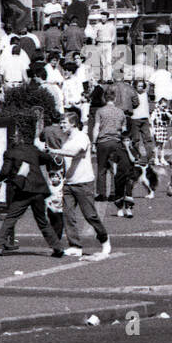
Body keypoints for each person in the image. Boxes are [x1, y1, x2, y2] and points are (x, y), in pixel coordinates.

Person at [0, 117, 67, 258]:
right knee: (42, 221)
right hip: (39, 189)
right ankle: (57, 247)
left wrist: (1, 179)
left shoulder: (10, 153)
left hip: (23, 190)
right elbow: (48, 159)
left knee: (11, 218)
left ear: (16, 139)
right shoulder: (33, 150)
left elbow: (4, 173)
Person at [57, 108, 112, 258]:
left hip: (83, 182)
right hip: (69, 182)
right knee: (68, 215)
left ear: (73, 124)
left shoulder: (82, 137)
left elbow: (75, 153)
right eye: (61, 123)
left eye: (64, 123)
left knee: (90, 215)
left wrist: (53, 151)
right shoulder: (66, 138)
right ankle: (75, 245)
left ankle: (105, 240)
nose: (61, 126)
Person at [128, 78, 153, 163]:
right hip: (135, 118)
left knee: (147, 138)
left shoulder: (145, 94)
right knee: (136, 139)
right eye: (139, 86)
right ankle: (137, 156)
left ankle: (149, 157)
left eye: (142, 86)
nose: (140, 88)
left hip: (145, 118)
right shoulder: (133, 94)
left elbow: (149, 85)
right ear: (135, 86)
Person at [151, 96, 172, 168]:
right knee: (157, 145)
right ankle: (156, 158)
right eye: (162, 106)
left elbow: (171, 117)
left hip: (163, 128)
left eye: (165, 106)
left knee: (163, 145)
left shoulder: (165, 112)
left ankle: (162, 158)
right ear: (159, 104)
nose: (163, 107)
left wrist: (166, 111)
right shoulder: (156, 111)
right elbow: (152, 120)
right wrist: (153, 129)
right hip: (158, 128)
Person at [94, 11, 116, 81]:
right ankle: (103, 78)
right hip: (100, 44)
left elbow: (113, 35)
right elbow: (94, 35)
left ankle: (109, 78)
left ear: (107, 18)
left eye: (104, 17)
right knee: (102, 61)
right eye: (102, 17)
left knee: (108, 61)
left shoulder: (111, 26)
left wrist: (111, 42)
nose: (103, 18)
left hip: (108, 44)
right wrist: (96, 41)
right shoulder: (97, 26)